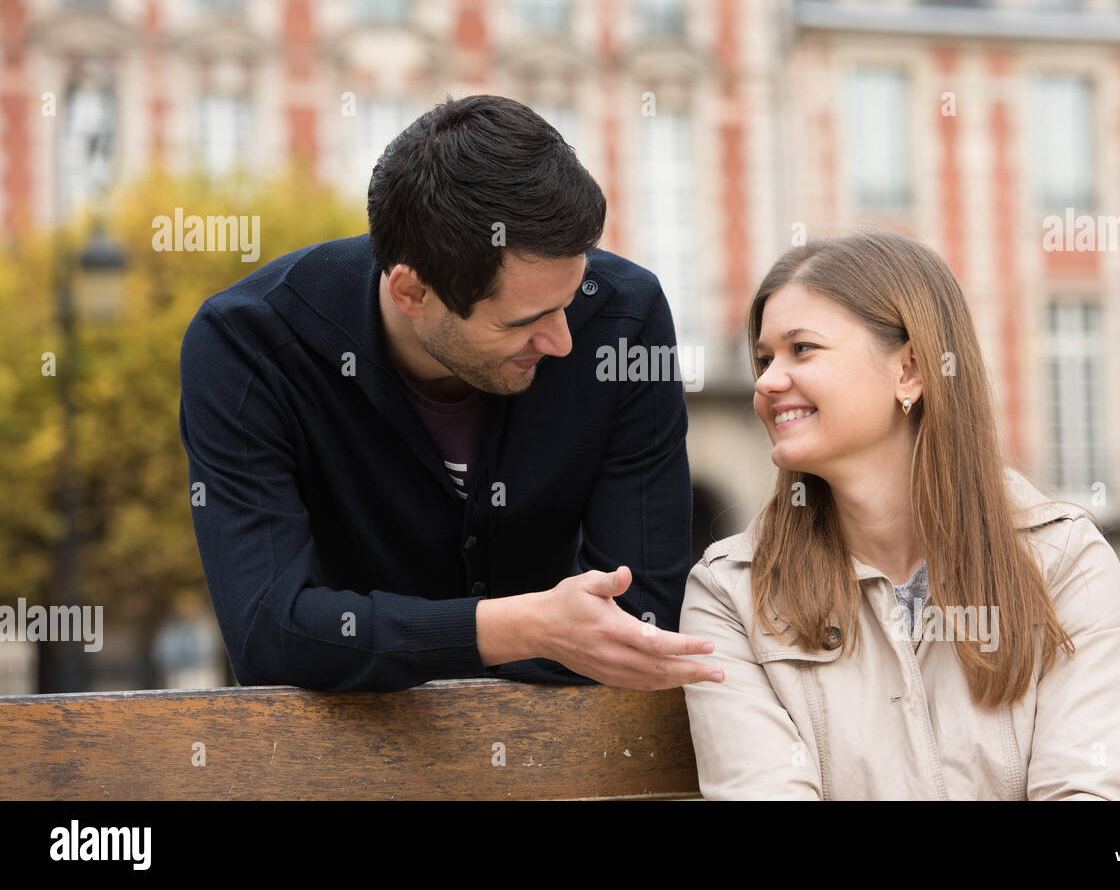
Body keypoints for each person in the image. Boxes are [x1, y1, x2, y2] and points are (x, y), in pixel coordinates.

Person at [179, 94, 720, 693]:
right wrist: (529, 628)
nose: (565, 342)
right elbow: (270, 636)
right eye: (523, 322)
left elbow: (637, 623)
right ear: (411, 293)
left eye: (569, 301)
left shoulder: (625, 319)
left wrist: (370, 648)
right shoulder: (246, 346)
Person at [680, 230, 1120, 799]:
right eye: (763, 358)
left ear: (909, 371)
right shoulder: (730, 595)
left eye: (802, 349)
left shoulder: (1064, 560)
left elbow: (1089, 790)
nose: (768, 381)